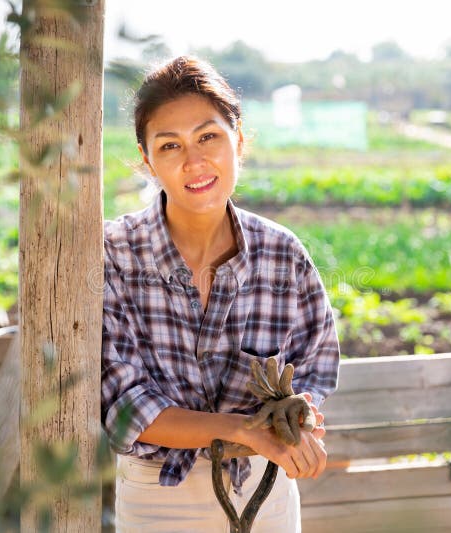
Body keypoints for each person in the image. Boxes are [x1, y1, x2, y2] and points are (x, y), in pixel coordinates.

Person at [101, 56, 340, 532]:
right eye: (170, 145)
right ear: (148, 161)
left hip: (265, 488)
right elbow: (124, 406)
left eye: (208, 136)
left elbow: (316, 363)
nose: (194, 161)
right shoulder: (115, 253)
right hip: (158, 498)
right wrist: (242, 428)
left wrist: (298, 415)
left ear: (239, 140)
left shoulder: (281, 253)